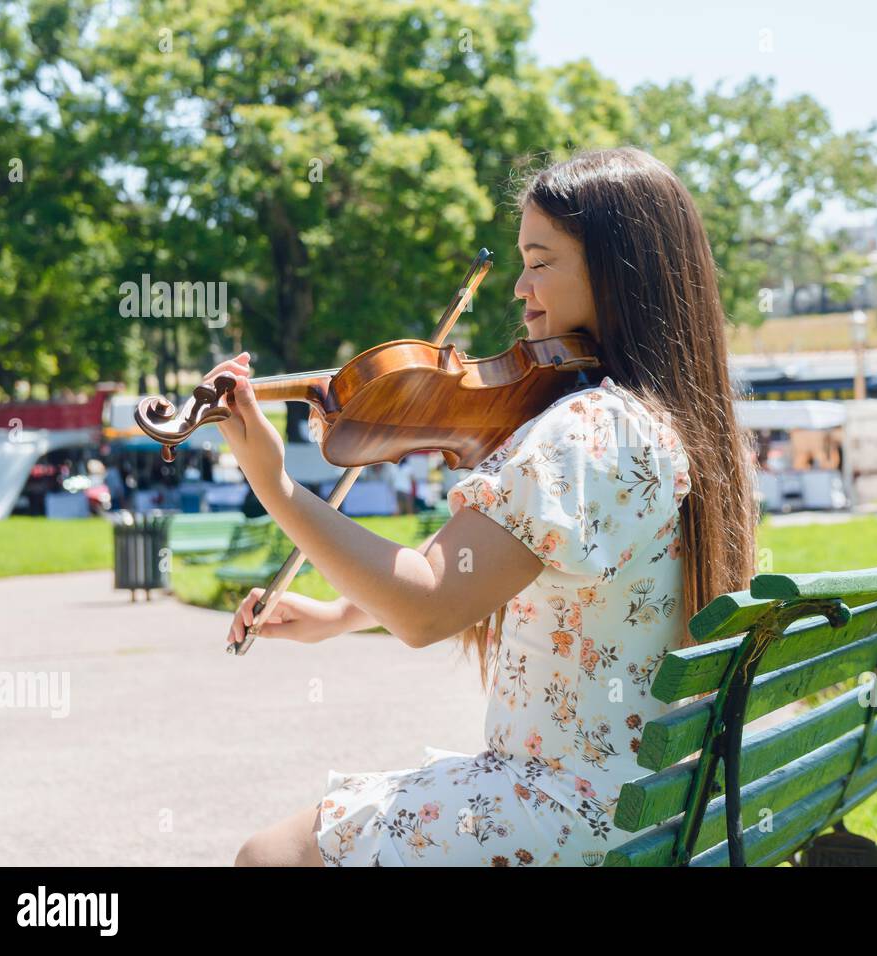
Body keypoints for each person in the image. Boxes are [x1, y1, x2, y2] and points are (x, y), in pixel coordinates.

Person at [217, 147, 757, 867]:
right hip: (658, 802)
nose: (519, 290)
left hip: (572, 811)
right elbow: (528, 577)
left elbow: (429, 607)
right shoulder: (682, 427)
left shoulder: (587, 428)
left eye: (540, 261)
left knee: (270, 857)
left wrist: (275, 485)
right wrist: (341, 614)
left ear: (618, 272)